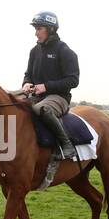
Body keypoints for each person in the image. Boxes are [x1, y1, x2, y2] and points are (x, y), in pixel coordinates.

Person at [21, 11, 80, 159]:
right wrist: (27, 83)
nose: (36, 33)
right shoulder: (34, 51)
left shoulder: (65, 51)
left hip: (59, 97)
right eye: (35, 29)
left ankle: (67, 145)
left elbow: (73, 80)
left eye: (39, 29)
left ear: (51, 29)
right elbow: (28, 74)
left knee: (42, 109)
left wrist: (46, 87)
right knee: (10, 100)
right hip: (36, 95)